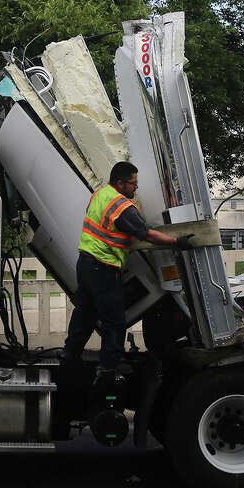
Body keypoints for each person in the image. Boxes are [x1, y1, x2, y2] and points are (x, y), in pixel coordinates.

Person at [63, 161, 193, 376]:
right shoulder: (121, 207)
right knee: (114, 322)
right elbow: (147, 234)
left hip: (85, 263)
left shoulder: (100, 194)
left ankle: (69, 355)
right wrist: (175, 241)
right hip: (103, 268)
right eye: (133, 184)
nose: (136, 188)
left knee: (85, 313)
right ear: (120, 183)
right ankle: (107, 370)